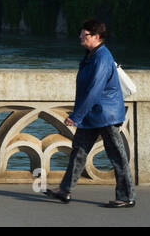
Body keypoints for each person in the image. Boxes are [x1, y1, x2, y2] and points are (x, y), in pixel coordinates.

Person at [46, 19, 135, 208]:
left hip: (106, 116)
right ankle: (65, 190)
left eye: (84, 34)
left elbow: (94, 90)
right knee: (78, 152)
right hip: (93, 114)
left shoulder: (102, 57)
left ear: (96, 37)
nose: (80, 37)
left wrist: (76, 116)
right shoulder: (91, 55)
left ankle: (127, 197)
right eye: (81, 33)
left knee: (117, 156)